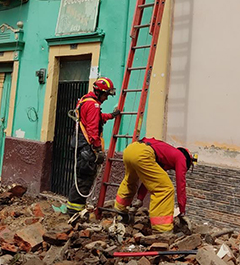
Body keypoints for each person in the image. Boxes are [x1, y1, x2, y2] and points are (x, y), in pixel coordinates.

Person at [114, 138, 196, 233]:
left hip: (130, 150)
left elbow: (148, 180)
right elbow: (181, 185)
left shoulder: (164, 155)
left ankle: (120, 211)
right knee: (165, 189)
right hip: (143, 153)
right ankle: (161, 228)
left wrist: (140, 199)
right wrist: (182, 212)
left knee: (130, 181)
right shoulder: (181, 157)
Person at [66, 77, 121, 213]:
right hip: (87, 147)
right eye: (105, 95)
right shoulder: (93, 105)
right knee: (84, 180)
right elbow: (92, 128)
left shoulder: (85, 101)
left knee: (80, 178)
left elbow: (95, 117)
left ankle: (74, 208)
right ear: (99, 92)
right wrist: (97, 149)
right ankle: (74, 211)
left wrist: (111, 115)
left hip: (80, 145)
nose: (106, 98)